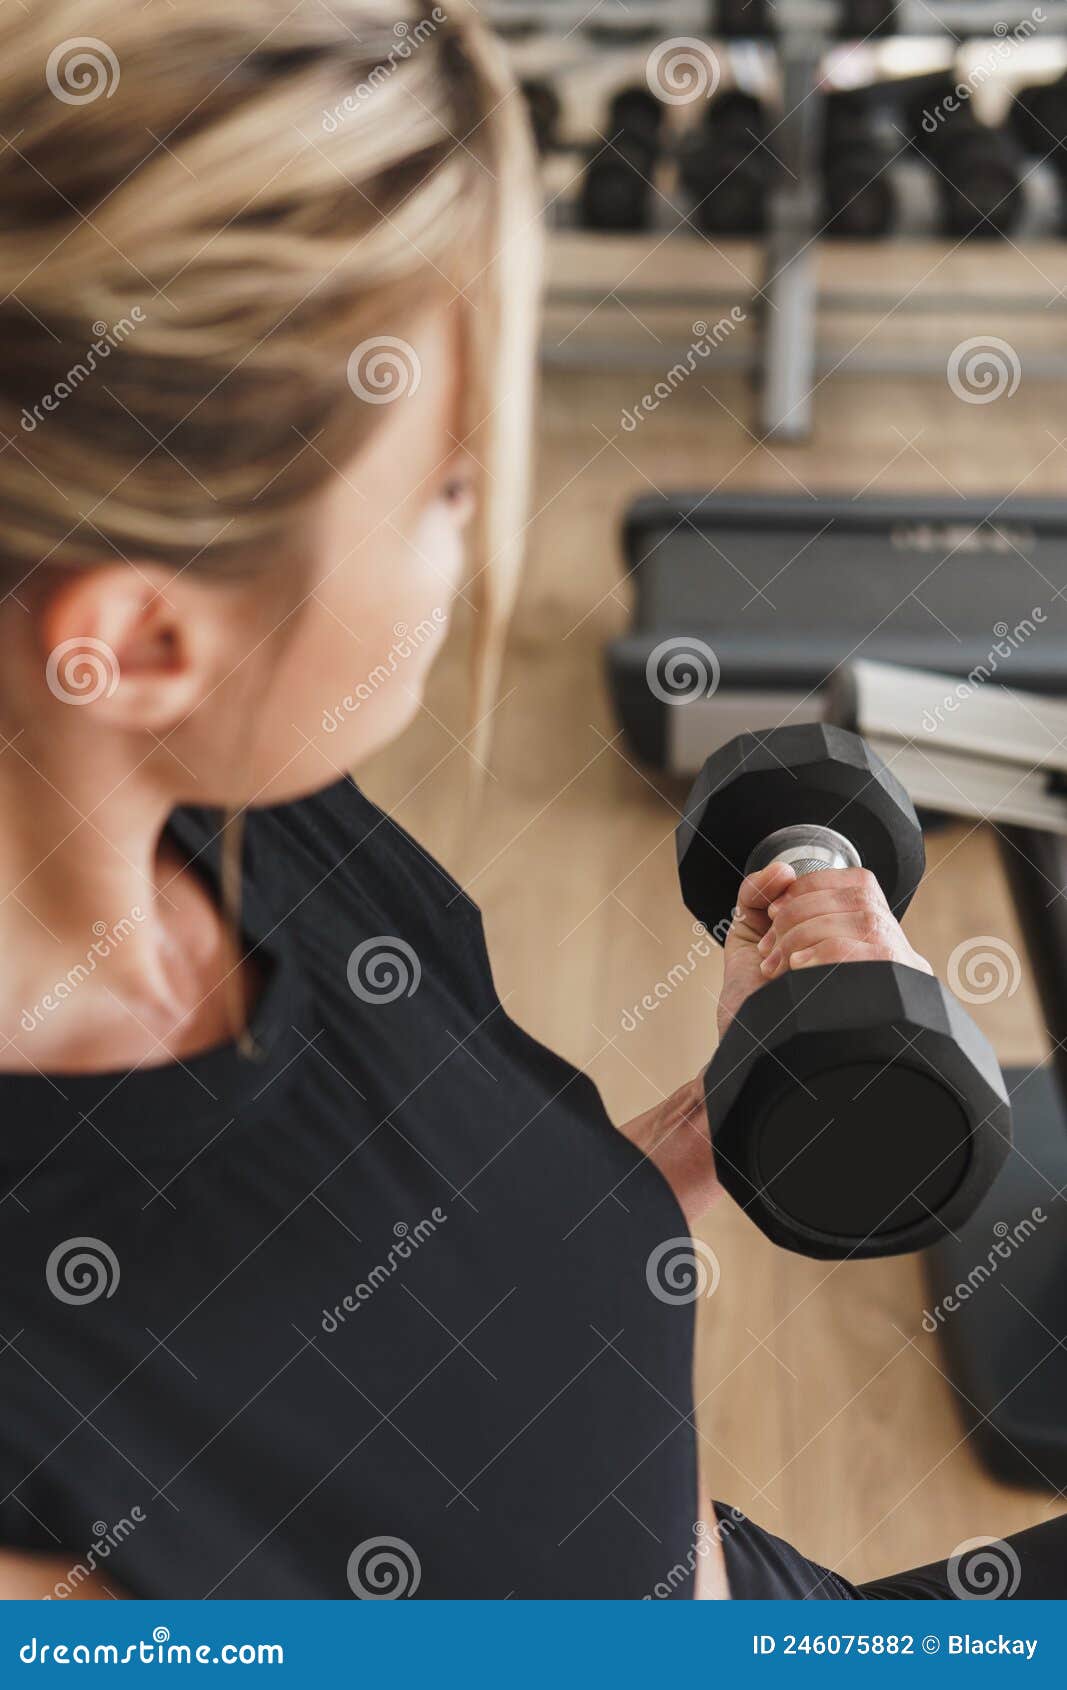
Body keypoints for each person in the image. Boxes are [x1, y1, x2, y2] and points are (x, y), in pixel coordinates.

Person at [0, 0, 1058, 1600]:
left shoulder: (261, 839)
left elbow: (390, 1335)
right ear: (145, 642)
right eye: (442, 490)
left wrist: (676, 1154)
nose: (485, 539)